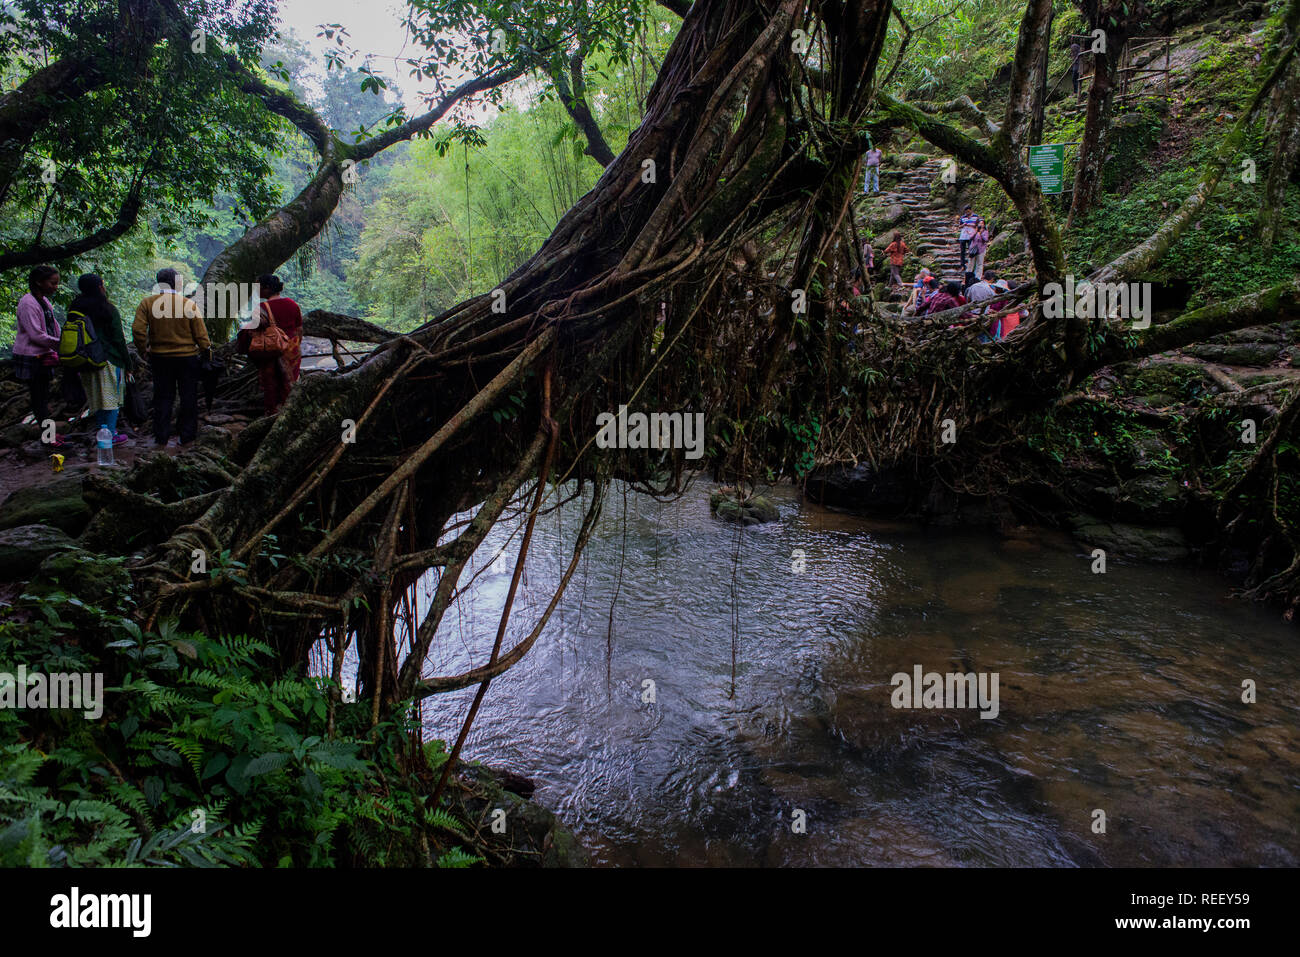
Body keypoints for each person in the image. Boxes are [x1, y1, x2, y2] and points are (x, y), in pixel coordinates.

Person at [133, 267, 210, 447]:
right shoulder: (188, 304)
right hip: (187, 358)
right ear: (176, 283)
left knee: (162, 397)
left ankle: (161, 437)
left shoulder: (147, 303)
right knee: (188, 397)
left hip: (160, 358)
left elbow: (138, 330)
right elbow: (201, 335)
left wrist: (143, 349)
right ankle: (187, 436)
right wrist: (206, 351)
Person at [69, 274, 130, 446]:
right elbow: (118, 339)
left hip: (85, 361)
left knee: (96, 397)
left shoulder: (75, 309)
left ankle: (102, 431)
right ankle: (110, 435)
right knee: (111, 398)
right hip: (108, 359)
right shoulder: (107, 309)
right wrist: (128, 363)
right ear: (99, 287)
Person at [13, 265, 63, 443]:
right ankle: (48, 437)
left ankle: (49, 435)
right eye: (52, 283)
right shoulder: (28, 303)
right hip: (32, 357)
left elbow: (53, 327)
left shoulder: (43, 301)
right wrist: (60, 344)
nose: (55, 286)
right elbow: (36, 334)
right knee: (39, 399)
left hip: (43, 355)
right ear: (39, 282)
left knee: (44, 397)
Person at [244, 273, 304, 416]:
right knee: (290, 384)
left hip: (270, 352)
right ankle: (292, 413)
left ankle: (273, 415)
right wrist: (293, 346)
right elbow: (299, 329)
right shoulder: (292, 304)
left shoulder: (261, 308)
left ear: (267, 288)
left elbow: (253, 332)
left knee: (271, 386)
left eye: (258, 287)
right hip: (291, 350)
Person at [957, 205, 978, 274]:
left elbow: (978, 225)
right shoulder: (963, 217)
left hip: (971, 235)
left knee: (970, 250)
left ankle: (970, 265)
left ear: (971, 210)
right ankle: (962, 265)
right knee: (962, 251)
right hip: (963, 235)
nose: (967, 213)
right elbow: (959, 226)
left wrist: (971, 225)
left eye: (968, 211)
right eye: (966, 211)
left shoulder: (975, 217)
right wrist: (963, 225)